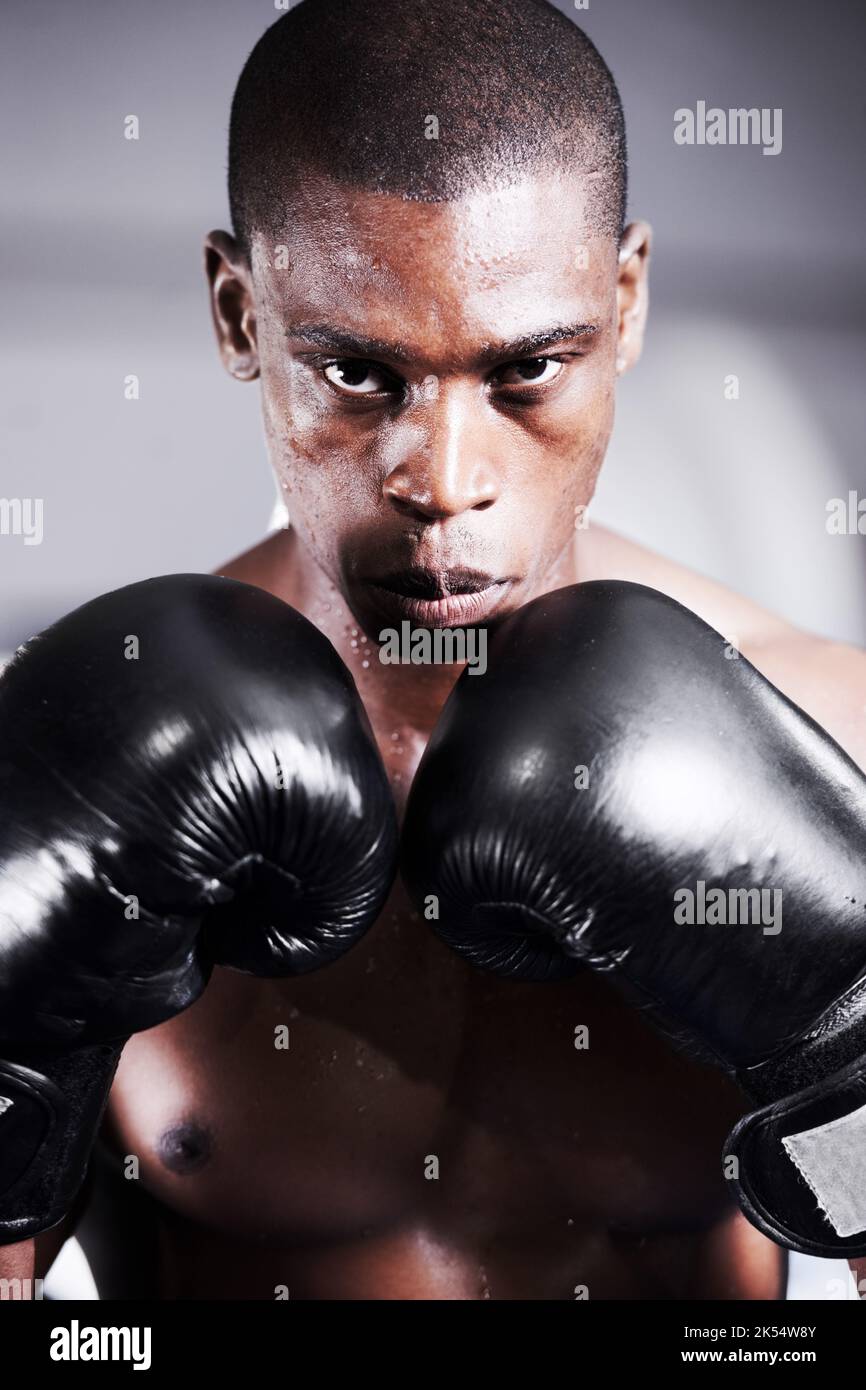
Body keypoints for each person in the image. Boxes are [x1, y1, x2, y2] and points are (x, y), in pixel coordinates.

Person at [4, 0, 866, 1300]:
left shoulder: (833, 740)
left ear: (623, 303)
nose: (446, 480)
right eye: (358, 373)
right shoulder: (69, 767)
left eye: (527, 370)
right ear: (239, 313)